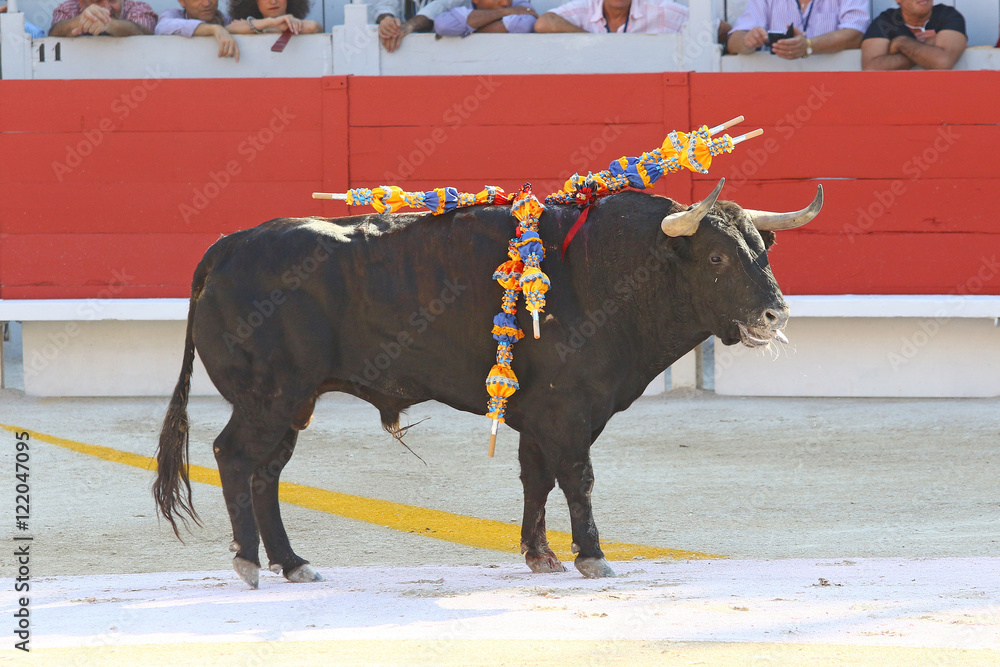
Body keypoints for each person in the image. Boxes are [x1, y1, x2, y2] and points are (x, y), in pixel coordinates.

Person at [727, 0, 868, 59]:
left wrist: (808, 46)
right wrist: (748, 41)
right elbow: (733, 43)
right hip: (773, 87)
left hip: (834, 86)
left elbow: (855, 35)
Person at [533, 0, 729, 40]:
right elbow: (544, 22)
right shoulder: (586, 7)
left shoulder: (661, 10)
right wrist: (592, 40)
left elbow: (722, 30)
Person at [861, 0, 966, 70]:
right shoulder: (886, 22)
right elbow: (871, 68)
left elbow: (943, 61)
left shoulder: (948, 15)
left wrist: (901, 43)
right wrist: (928, 48)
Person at [156, 0, 239, 61]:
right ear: (182, 2)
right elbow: (162, 27)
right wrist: (213, 29)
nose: (206, 3)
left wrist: (251, 25)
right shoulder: (173, 15)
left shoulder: (228, 20)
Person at [374, 0, 467, 52]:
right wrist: (387, 21)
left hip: (451, 52)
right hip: (405, 56)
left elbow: (439, 7)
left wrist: (408, 26)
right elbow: (384, 5)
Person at [49, 0, 157, 36]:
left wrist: (107, 24)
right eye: (97, 1)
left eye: (113, 0)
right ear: (82, 2)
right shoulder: (68, 8)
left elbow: (146, 34)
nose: (106, 8)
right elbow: (52, 35)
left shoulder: (138, 8)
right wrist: (79, 22)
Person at [433, 0, 536, 37]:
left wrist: (468, 28)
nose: (505, 3)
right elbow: (444, 26)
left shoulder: (520, 4)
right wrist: (504, 12)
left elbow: (524, 25)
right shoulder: (458, 2)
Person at [227, 0, 321, 34]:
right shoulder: (247, 25)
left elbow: (314, 27)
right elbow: (228, 29)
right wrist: (272, 23)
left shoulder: (250, 26)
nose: (273, 2)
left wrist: (265, 28)